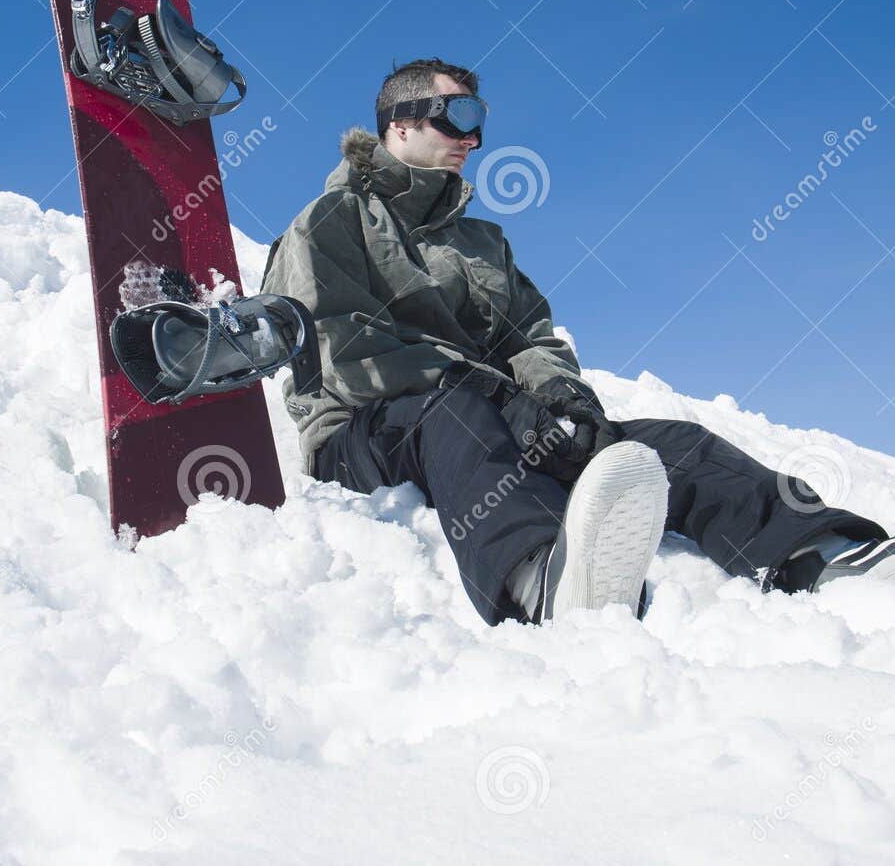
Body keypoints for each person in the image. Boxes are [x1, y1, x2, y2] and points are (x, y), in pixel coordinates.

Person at [262, 58, 894, 625]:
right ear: (401, 122)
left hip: (492, 424)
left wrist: (563, 397)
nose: (474, 139)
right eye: (459, 116)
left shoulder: (482, 242)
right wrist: (493, 392)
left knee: (665, 446)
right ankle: (540, 578)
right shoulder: (330, 222)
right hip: (362, 435)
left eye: (479, 122)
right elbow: (347, 355)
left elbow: (529, 335)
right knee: (457, 413)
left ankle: (823, 553)